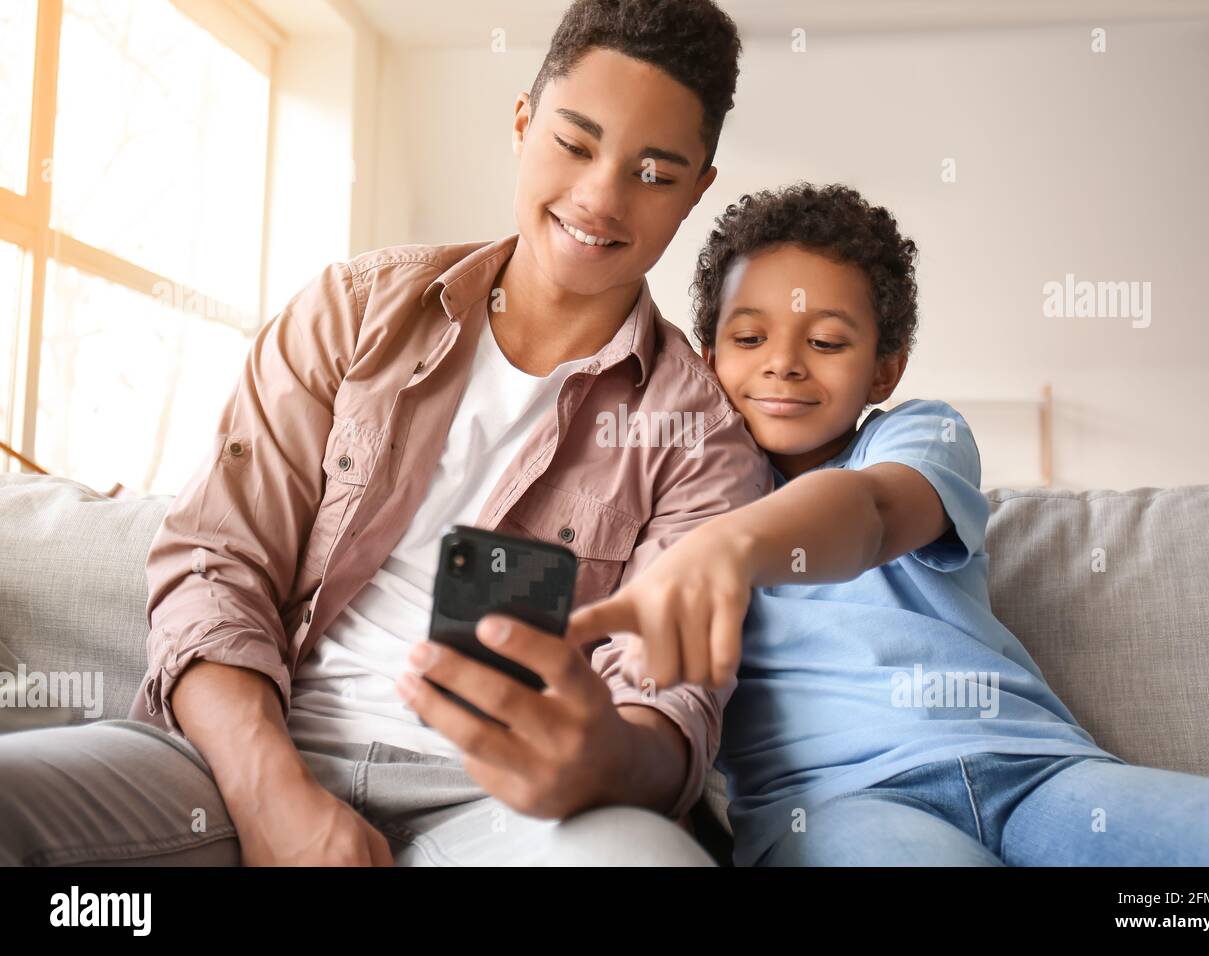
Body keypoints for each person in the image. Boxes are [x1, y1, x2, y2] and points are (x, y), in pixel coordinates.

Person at [0, 0, 771, 867]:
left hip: (501, 812)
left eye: (655, 174)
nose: (601, 196)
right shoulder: (353, 311)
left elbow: (668, 711)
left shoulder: (703, 439)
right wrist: (276, 801)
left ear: (698, 189)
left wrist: (604, 756)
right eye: (574, 143)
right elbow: (215, 566)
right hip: (239, 763)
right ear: (523, 124)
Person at [565, 182, 1209, 866]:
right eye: (750, 338)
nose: (783, 364)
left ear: (884, 369)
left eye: (826, 342)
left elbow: (874, 512)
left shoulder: (915, 436)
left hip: (1035, 771)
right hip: (838, 806)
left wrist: (734, 548)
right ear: (708, 358)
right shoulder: (684, 502)